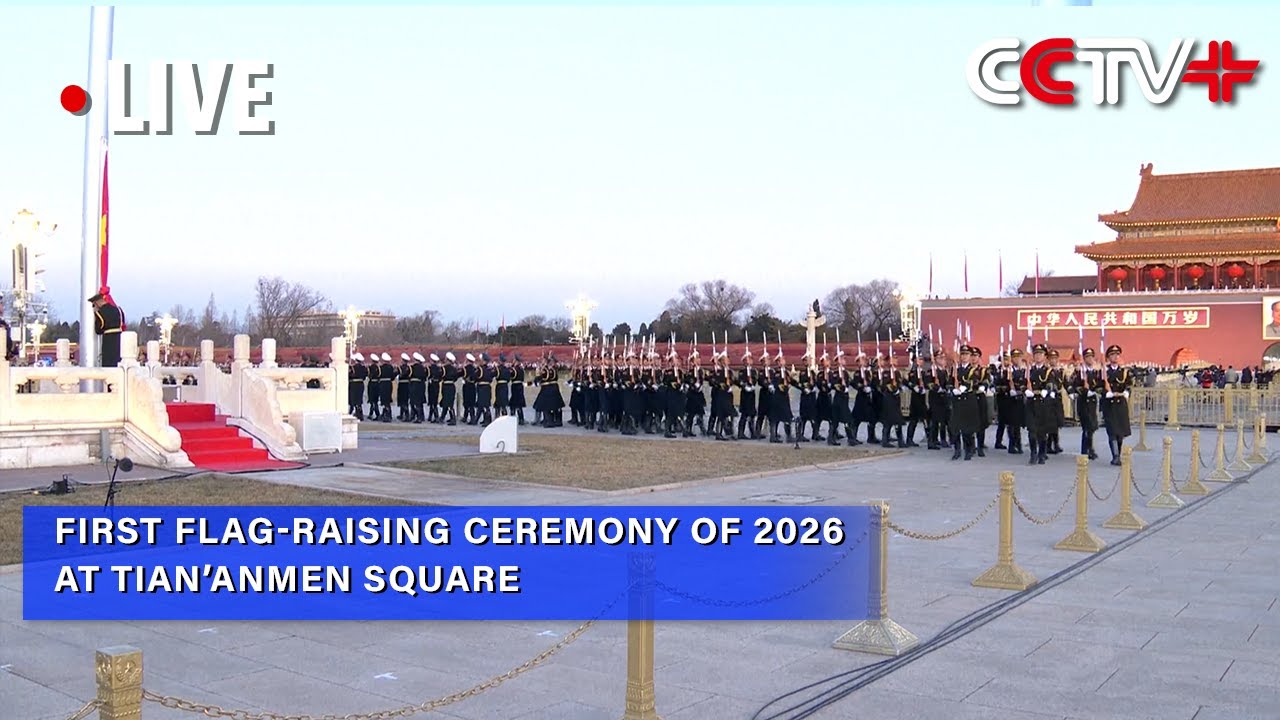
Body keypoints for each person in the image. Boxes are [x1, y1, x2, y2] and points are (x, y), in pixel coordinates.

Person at [1102, 344, 1133, 466]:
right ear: (1108, 357)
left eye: (1117, 355)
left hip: (1120, 405)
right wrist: (1106, 393)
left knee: (1120, 433)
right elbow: (1098, 386)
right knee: (1112, 431)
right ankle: (1115, 456)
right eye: (1112, 355)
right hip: (1109, 405)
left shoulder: (1124, 372)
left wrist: (1126, 392)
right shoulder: (1104, 372)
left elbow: (1129, 384)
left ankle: (1118, 453)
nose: (1115, 357)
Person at [1073, 348, 1102, 460]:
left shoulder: (1095, 373)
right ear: (1084, 359)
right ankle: (1086, 450)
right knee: (1087, 426)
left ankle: (1090, 447)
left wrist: (1096, 391)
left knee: (1092, 426)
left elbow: (1098, 384)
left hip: (1092, 403)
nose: (1090, 359)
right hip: (1083, 402)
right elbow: (1076, 386)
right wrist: (1086, 391)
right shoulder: (1080, 372)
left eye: (1091, 357)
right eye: (1087, 357)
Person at [90, 291, 125, 368]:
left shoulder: (100, 313)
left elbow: (98, 330)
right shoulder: (119, 310)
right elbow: (123, 324)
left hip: (108, 340)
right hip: (119, 339)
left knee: (108, 363)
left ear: (97, 303)